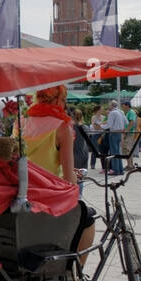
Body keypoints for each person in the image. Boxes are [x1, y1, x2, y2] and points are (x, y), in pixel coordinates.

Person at [19, 86, 96, 265]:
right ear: (58, 99)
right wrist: (74, 177)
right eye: (63, 99)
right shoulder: (62, 127)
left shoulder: (21, 122)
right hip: (48, 200)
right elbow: (69, 180)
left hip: (23, 195)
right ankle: (75, 272)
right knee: (88, 220)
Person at [104, 100, 126, 175]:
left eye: (109, 105)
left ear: (112, 105)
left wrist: (100, 126)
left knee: (113, 152)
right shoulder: (121, 112)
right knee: (118, 152)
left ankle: (116, 170)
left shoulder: (112, 113)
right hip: (120, 133)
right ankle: (120, 170)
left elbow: (109, 125)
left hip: (113, 133)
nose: (109, 106)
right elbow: (126, 122)